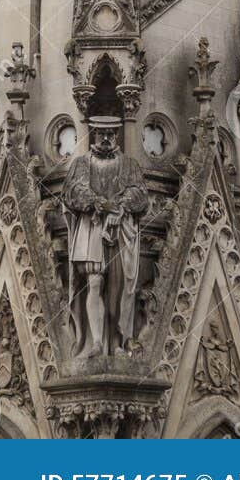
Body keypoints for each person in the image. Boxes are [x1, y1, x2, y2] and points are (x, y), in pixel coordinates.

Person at [63, 117, 148, 357]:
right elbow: (71, 192)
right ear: (93, 134)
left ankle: (119, 341)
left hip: (121, 231)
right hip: (91, 227)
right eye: (101, 133)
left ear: (117, 135)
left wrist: (120, 207)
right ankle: (97, 342)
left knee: (118, 289)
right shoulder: (81, 164)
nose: (106, 138)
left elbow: (141, 194)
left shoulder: (129, 164)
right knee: (95, 281)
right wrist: (97, 203)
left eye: (111, 133)